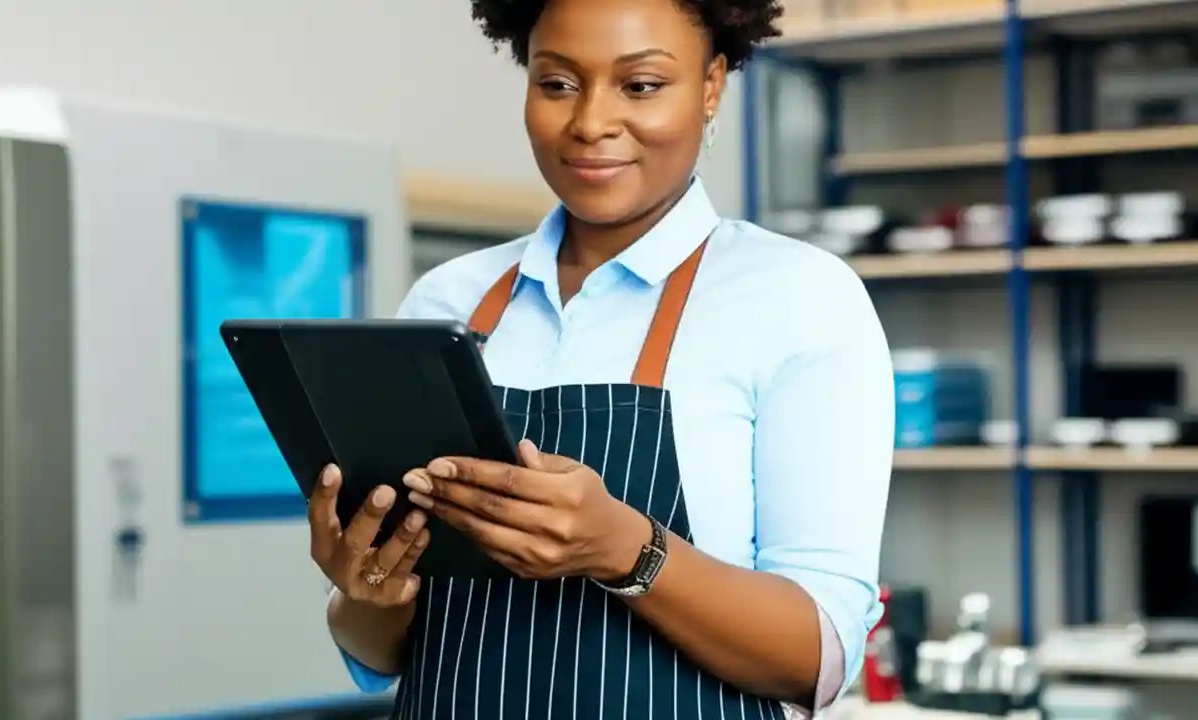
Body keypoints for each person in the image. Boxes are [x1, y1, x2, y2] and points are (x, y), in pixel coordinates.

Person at [310, 0, 894, 717]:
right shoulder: (446, 303)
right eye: (557, 84)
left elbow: (818, 654)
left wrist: (626, 549)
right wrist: (370, 589)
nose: (591, 122)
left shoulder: (798, 299)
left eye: (641, 85)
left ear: (711, 85)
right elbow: (383, 651)